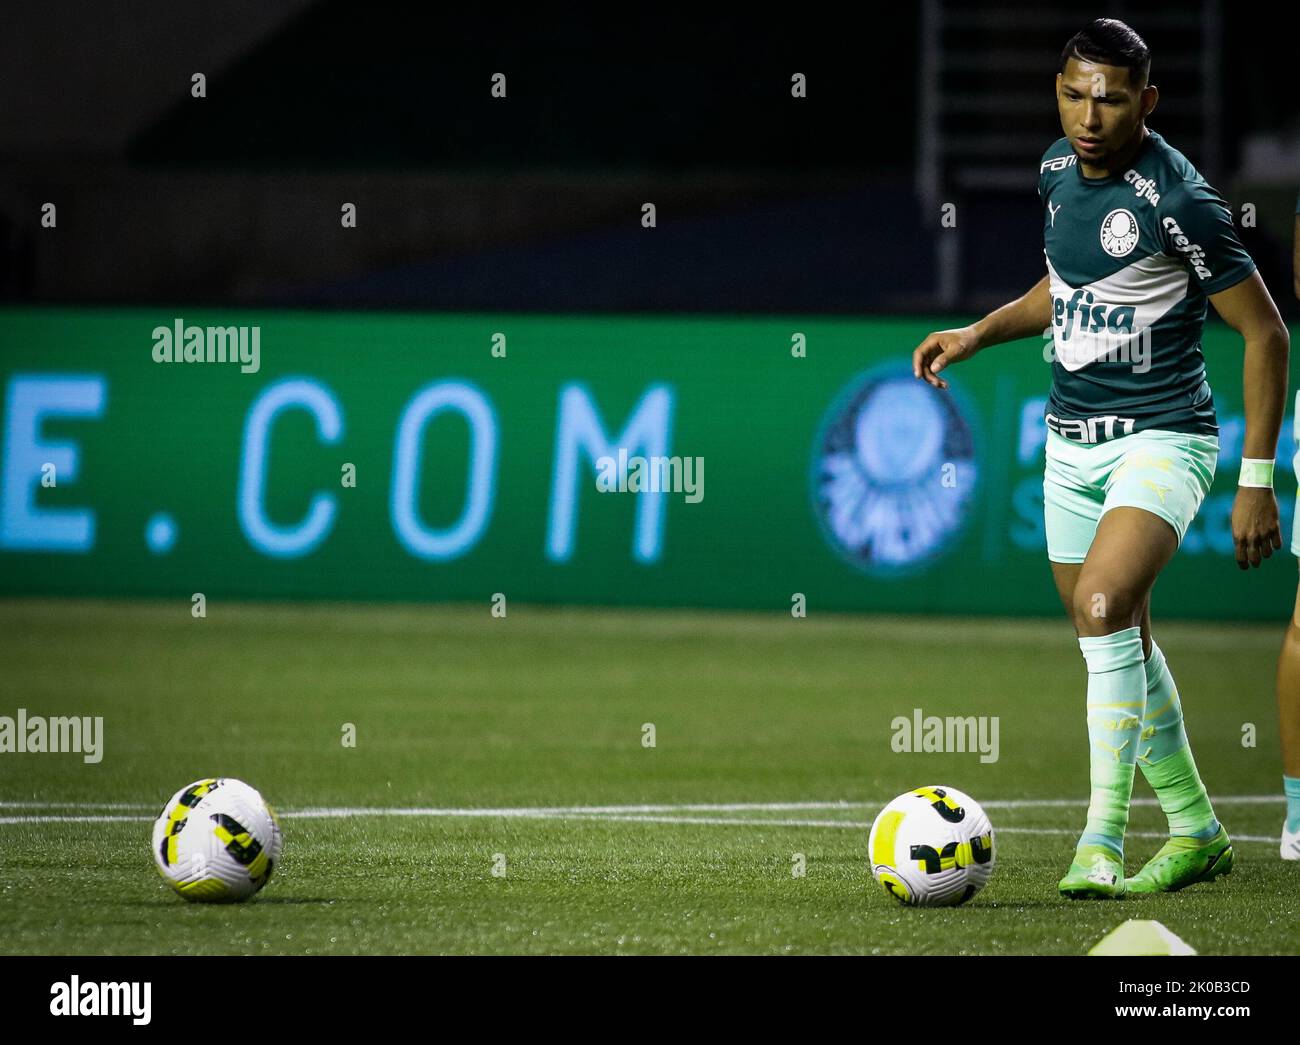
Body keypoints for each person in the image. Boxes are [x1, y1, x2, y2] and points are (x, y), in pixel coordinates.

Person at [911, 18, 1291, 897]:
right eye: (1077, 94)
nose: (1091, 115)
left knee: (1101, 602)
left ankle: (1101, 840)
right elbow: (1066, 287)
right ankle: (1197, 828)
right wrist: (976, 333)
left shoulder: (1179, 200)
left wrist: (1257, 479)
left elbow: (1266, 330)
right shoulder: (1053, 171)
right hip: (1068, 445)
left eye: (1113, 99)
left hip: (1164, 438)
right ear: (1058, 90)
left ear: (1146, 102)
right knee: (1114, 632)